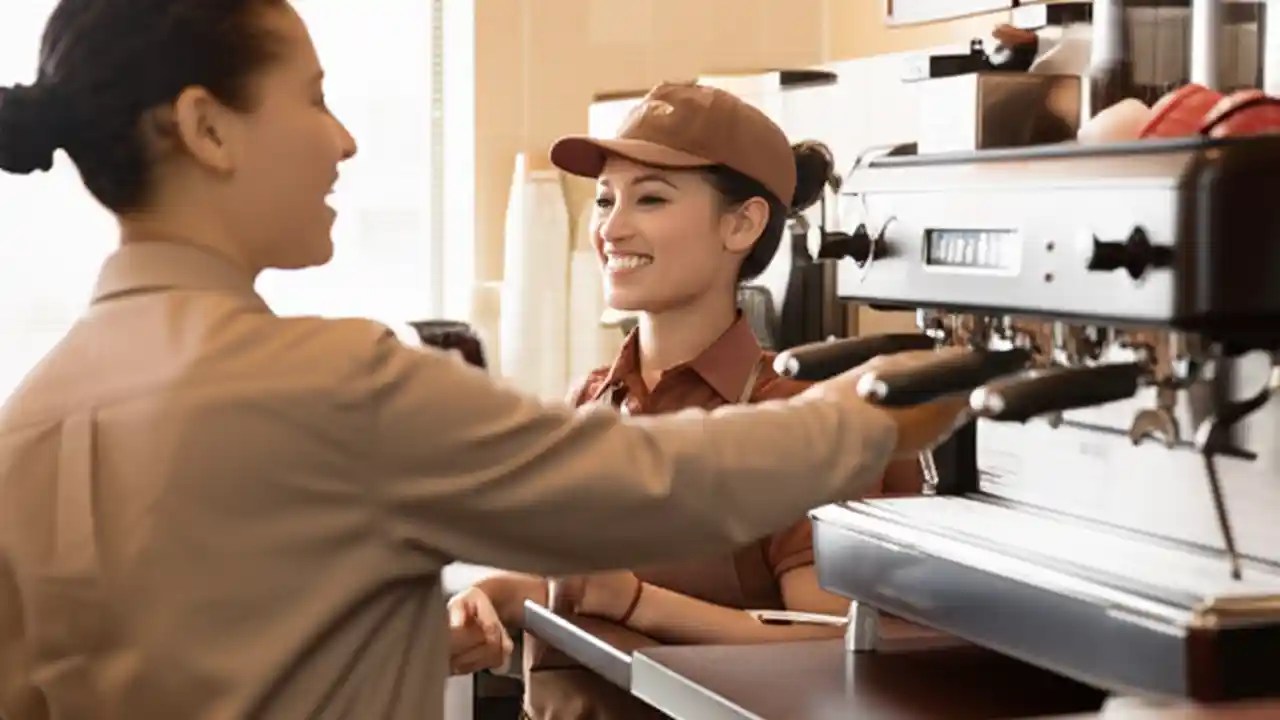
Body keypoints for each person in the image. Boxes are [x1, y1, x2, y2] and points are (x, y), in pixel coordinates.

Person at [0, 2, 970, 719]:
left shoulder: (27, 422)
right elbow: (663, 483)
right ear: (208, 128)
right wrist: (879, 412)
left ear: (744, 226)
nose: (342, 139)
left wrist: (401, 640)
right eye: (313, 98)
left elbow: (185, 649)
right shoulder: (336, 384)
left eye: (651, 197)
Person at [450, 83, 926, 719]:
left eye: (649, 198)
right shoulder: (592, 397)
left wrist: (638, 604)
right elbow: (579, 588)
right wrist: (496, 596)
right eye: (604, 200)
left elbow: (838, 643)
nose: (611, 228)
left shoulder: (799, 422)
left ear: (742, 224)